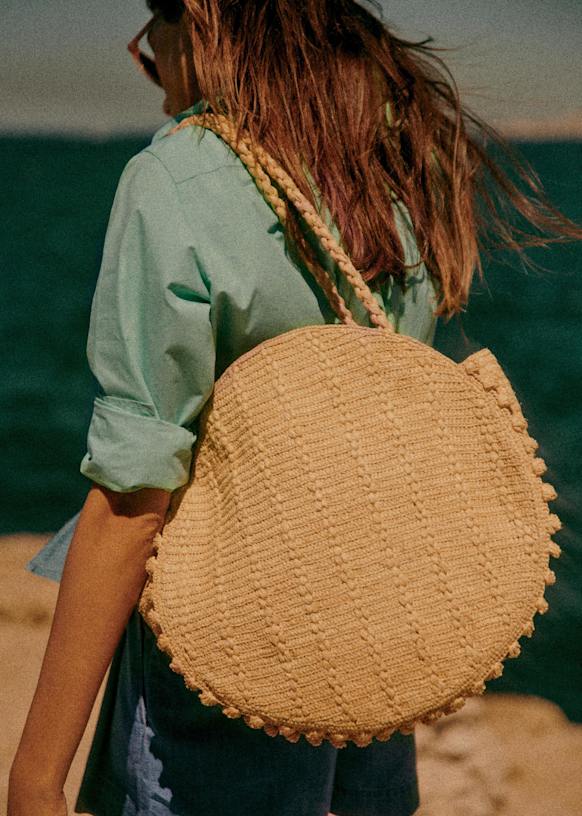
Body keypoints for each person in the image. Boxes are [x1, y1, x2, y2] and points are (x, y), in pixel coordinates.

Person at [8, 2, 582, 815]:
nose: (150, 59)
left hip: (221, 652)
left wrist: (36, 776)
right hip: (367, 637)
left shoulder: (178, 176)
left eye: (153, 28)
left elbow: (134, 501)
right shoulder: (400, 156)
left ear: (202, 18)